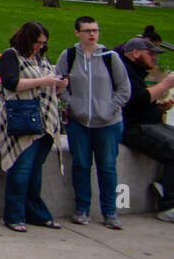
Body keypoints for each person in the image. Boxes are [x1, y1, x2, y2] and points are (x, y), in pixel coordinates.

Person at [56, 17, 131, 229]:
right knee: (81, 166)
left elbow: (124, 89)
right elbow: (60, 85)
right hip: (79, 123)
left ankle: (110, 212)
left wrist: (110, 109)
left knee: (107, 167)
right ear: (77, 33)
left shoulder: (110, 57)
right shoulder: (69, 56)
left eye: (95, 30)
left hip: (108, 123)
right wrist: (72, 105)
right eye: (87, 30)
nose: (92, 34)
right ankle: (82, 209)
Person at [0, 22, 68, 232]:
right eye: (37, 42)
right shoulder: (11, 55)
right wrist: (42, 81)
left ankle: (35, 213)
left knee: (35, 171)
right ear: (27, 39)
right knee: (21, 169)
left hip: (44, 120)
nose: (40, 47)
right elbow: (11, 83)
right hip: (22, 117)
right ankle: (14, 215)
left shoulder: (42, 58)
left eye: (43, 43)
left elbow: (46, 82)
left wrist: (58, 84)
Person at [117, 36, 174, 222]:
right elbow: (135, 99)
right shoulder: (124, 70)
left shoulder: (137, 71)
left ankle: (164, 185)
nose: (154, 58)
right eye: (150, 54)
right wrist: (166, 84)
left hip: (149, 123)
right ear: (135, 53)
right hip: (134, 128)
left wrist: (158, 106)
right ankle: (168, 206)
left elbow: (142, 102)